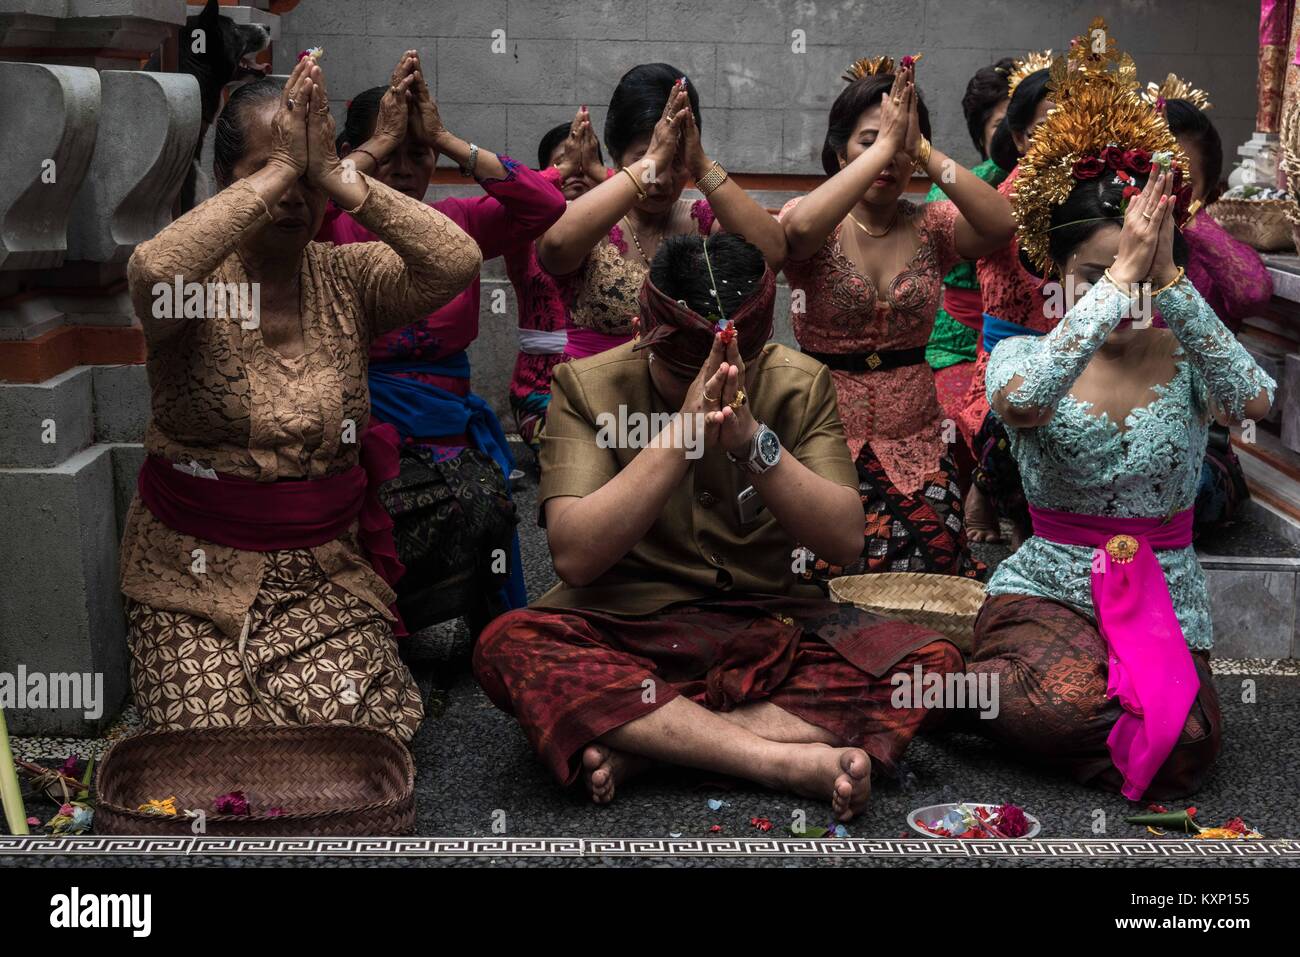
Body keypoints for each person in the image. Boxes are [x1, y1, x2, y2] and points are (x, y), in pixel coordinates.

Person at [473, 233, 961, 821]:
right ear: (640, 331)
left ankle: (654, 745)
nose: (714, 388)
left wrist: (753, 442)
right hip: (623, 622)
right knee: (508, 644)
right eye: (686, 371)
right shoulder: (586, 387)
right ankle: (773, 759)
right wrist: (681, 432)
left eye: (735, 369)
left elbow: (843, 542)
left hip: (768, 622)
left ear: (759, 348)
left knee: (932, 664)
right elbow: (575, 558)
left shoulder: (799, 382)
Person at [120, 57, 482, 741]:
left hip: (324, 575)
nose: (291, 195)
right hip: (191, 580)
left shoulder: (348, 275)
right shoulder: (192, 287)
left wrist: (337, 173)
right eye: (262, 169)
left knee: (356, 739)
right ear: (225, 183)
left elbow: (456, 259)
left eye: (302, 176)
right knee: (210, 749)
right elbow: (154, 268)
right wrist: (283, 170)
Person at [966, 28, 1275, 800]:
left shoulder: (1186, 356)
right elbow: (1026, 402)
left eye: (1137, 272)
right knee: (1050, 697)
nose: (1123, 292)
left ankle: (1086, 726)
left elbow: (1255, 400)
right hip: (1048, 585)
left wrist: (1168, 279)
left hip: (1164, 591)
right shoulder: (1018, 359)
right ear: (1057, 271)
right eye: (1096, 274)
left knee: (1191, 742)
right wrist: (1117, 285)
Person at [321, 51, 567, 625]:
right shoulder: (329, 225)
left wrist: (448, 138)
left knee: (486, 506)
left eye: (418, 154)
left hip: (445, 424)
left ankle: (481, 631)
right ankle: (375, 627)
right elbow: (312, 196)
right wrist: (375, 147)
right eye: (390, 154)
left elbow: (546, 204)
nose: (404, 169)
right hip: (363, 422)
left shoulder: (458, 221)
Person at [779, 56, 1015, 579]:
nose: (887, 159)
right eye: (868, 140)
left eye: (898, 145)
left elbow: (1000, 224)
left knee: (929, 572)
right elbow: (793, 236)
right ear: (839, 152)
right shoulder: (811, 218)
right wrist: (885, 147)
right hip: (821, 426)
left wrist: (923, 151)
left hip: (915, 431)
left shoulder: (933, 224)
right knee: (819, 576)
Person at [536, 63, 786, 363]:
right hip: (597, 401)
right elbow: (555, 248)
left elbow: (772, 253)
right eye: (645, 159)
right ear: (617, 157)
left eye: (677, 161)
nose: (663, 178)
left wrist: (702, 165)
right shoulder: (591, 220)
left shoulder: (703, 220)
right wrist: (654, 159)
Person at [1156, 86, 1273, 535]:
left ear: (1211, 186)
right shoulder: (1104, 243)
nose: (1161, 183)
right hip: (1105, 425)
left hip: (1195, 444)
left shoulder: (1210, 253)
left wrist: (1182, 212)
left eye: (1180, 173)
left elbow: (1254, 292)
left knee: (1194, 488)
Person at [959, 64, 1055, 547]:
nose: (1063, 143)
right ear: (1019, 139)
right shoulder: (997, 204)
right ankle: (990, 487)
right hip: (1006, 367)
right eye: (1047, 130)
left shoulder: (1103, 200)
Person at [504, 110, 608, 458]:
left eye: (585, 164)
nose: (576, 173)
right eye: (564, 164)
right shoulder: (524, 229)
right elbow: (519, 195)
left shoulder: (623, 229)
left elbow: (643, 197)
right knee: (573, 457)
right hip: (539, 389)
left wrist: (603, 176)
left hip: (609, 385)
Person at [926, 58, 1016, 426]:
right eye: (1001, 126)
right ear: (981, 136)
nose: (1014, 134)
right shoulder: (955, 186)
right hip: (958, 342)